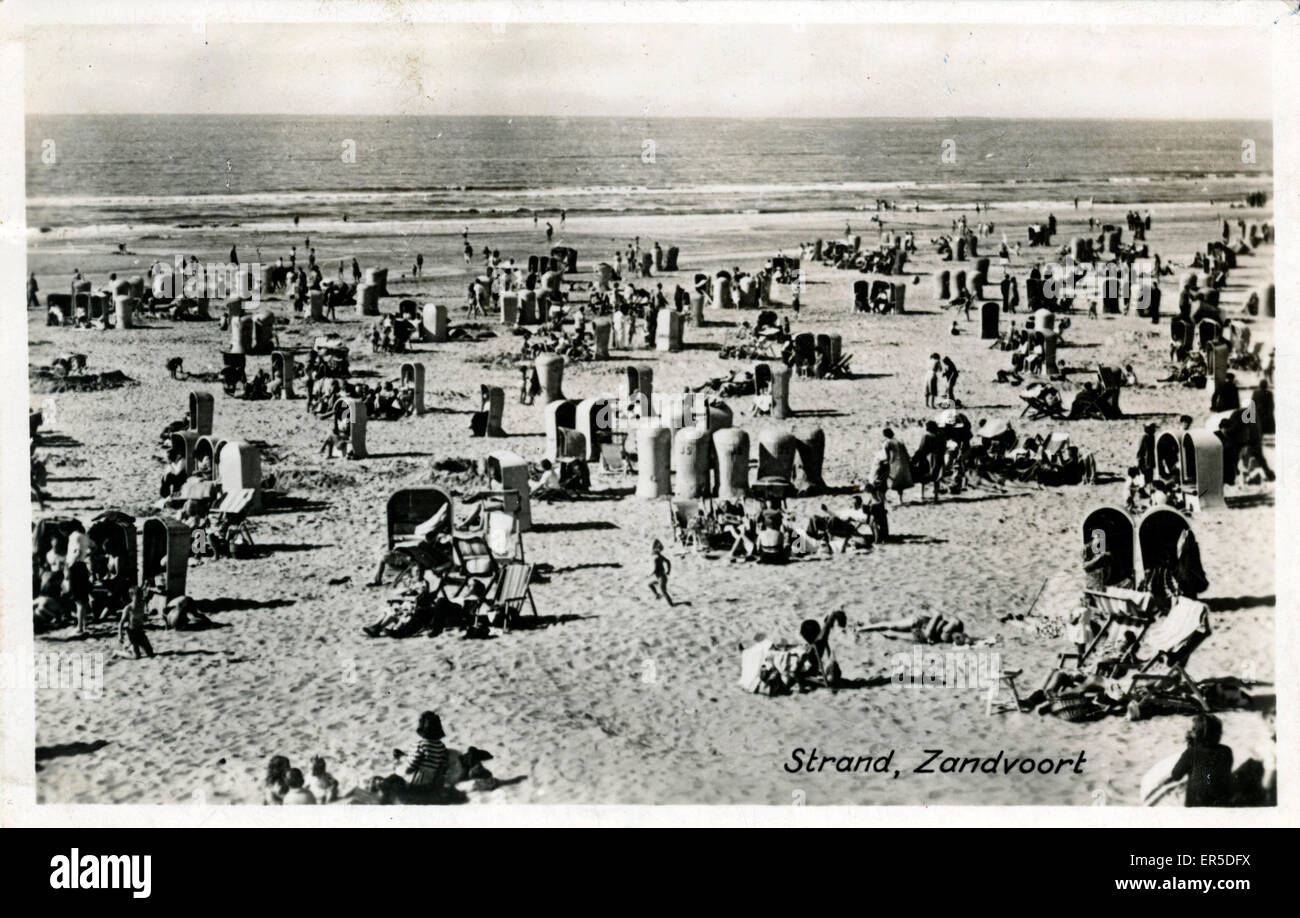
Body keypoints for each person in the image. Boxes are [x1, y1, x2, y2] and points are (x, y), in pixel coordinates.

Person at [1170, 714, 1233, 807]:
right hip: (1220, 802)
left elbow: (1176, 775)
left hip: (1195, 803)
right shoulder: (1226, 751)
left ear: (1197, 733)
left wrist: (1192, 746)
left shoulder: (1191, 752)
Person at [402, 711, 449, 792]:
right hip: (431, 780)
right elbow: (443, 764)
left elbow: (411, 765)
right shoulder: (441, 746)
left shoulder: (420, 745)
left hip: (416, 780)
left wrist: (404, 768)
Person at [118, 587, 154, 658]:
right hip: (132, 632)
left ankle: (128, 645)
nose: (140, 598)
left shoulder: (142, 604)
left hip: (140, 631)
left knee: (150, 653)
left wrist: (145, 617)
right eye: (137, 596)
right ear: (131, 596)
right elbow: (121, 622)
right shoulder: (128, 608)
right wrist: (120, 635)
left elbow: (143, 616)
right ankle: (117, 652)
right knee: (136, 656)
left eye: (141, 595)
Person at [648, 539, 673, 606]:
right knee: (650, 584)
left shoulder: (656, 558)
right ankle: (657, 595)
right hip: (661, 577)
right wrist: (668, 571)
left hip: (661, 578)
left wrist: (650, 574)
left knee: (664, 591)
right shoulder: (660, 556)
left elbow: (655, 569)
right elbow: (668, 561)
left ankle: (672, 605)